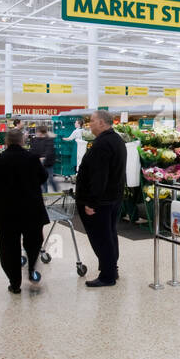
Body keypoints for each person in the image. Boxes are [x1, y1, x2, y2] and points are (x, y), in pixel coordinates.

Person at [0, 128, 50, 294]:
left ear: (6, 142)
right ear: (22, 141)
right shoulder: (32, 158)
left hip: (7, 212)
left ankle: (15, 283)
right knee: (33, 242)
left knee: (8, 248)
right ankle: (31, 269)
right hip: (32, 210)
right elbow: (43, 177)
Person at [75, 109, 127, 288]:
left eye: (92, 121)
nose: (90, 124)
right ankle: (112, 268)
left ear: (102, 123)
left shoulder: (102, 144)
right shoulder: (117, 140)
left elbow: (99, 177)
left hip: (101, 202)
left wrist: (91, 202)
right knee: (110, 234)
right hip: (113, 198)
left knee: (101, 238)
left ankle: (107, 276)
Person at [29, 123, 58, 191]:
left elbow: (49, 150)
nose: (37, 133)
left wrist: (44, 157)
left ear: (41, 132)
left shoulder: (49, 140)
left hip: (48, 163)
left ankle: (56, 189)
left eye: (38, 132)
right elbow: (33, 150)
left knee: (50, 178)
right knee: (42, 179)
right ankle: (45, 194)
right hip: (39, 163)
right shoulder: (35, 140)